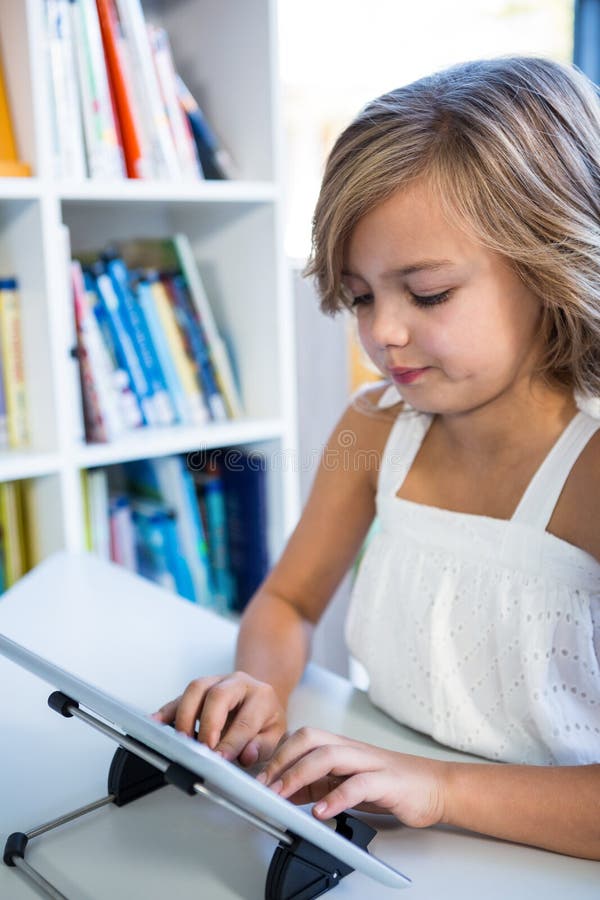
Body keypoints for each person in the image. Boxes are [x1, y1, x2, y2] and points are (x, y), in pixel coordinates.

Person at [154, 57, 600, 860]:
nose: (382, 332)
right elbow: (288, 600)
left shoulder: (592, 467)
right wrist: (263, 685)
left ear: (552, 264)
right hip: (389, 836)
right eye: (361, 296)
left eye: (426, 293)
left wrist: (438, 788)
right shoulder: (373, 425)